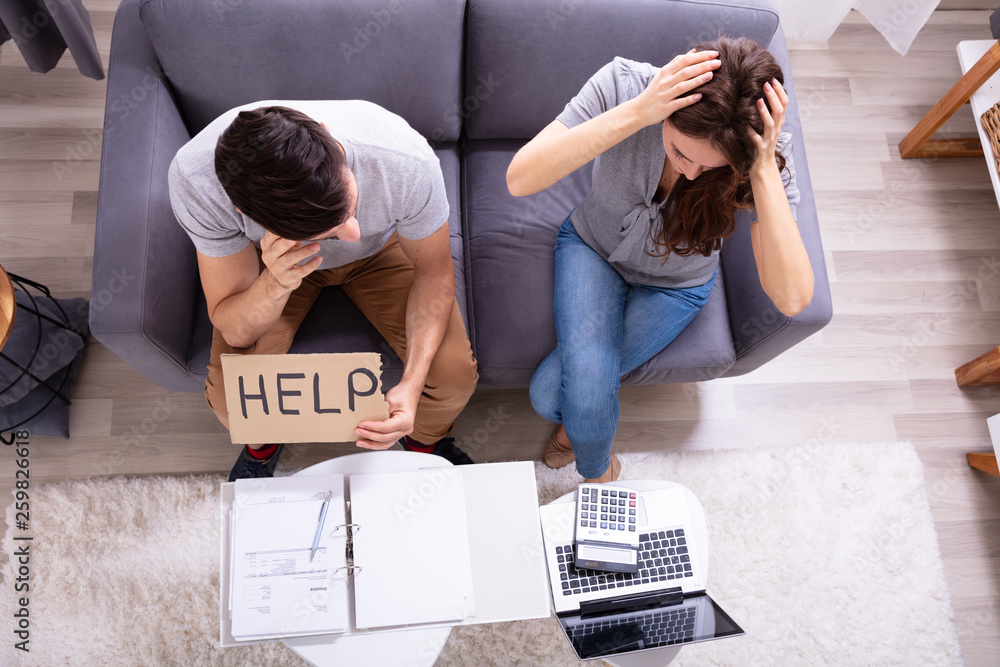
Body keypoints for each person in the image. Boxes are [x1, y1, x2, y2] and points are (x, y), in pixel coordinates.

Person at [506, 37, 815, 484]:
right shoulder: (624, 85)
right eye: (680, 153)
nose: (690, 173)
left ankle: (579, 438)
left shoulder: (762, 151)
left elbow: (792, 298)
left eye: (710, 167)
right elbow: (520, 178)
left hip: (676, 287)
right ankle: (602, 472)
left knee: (552, 394)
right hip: (592, 248)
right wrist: (639, 113)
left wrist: (762, 167)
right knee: (562, 396)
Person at [168, 101, 479, 481]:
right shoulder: (197, 183)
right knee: (232, 398)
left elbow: (434, 273)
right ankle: (262, 448)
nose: (352, 233)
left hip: (383, 251)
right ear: (243, 213)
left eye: (349, 205)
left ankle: (423, 443)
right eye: (330, 229)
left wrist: (412, 384)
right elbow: (236, 332)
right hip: (271, 264)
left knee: (452, 377)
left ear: (328, 134)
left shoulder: (405, 160)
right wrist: (274, 283)